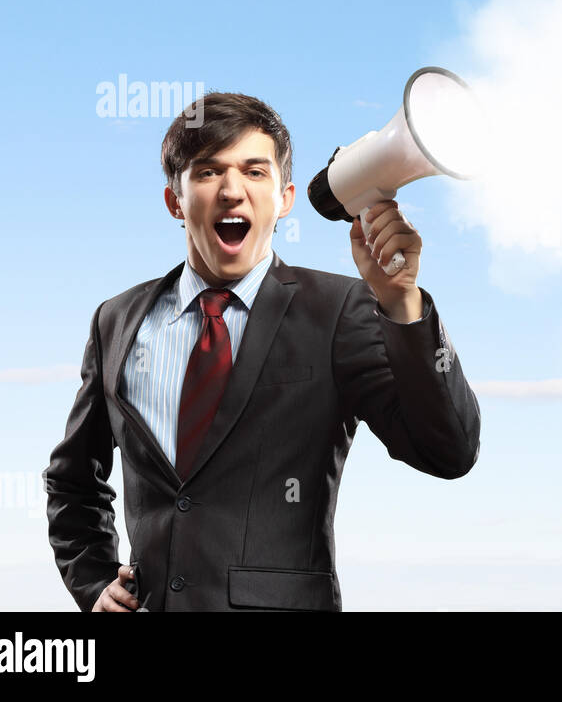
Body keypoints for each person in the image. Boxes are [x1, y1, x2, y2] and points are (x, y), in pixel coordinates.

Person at [44, 92, 481, 611]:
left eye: (255, 171)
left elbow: (448, 452)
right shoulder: (116, 320)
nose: (232, 191)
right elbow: (73, 481)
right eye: (208, 172)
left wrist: (402, 304)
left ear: (286, 198)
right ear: (175, 202)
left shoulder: (339, 310)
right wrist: (95, 586)